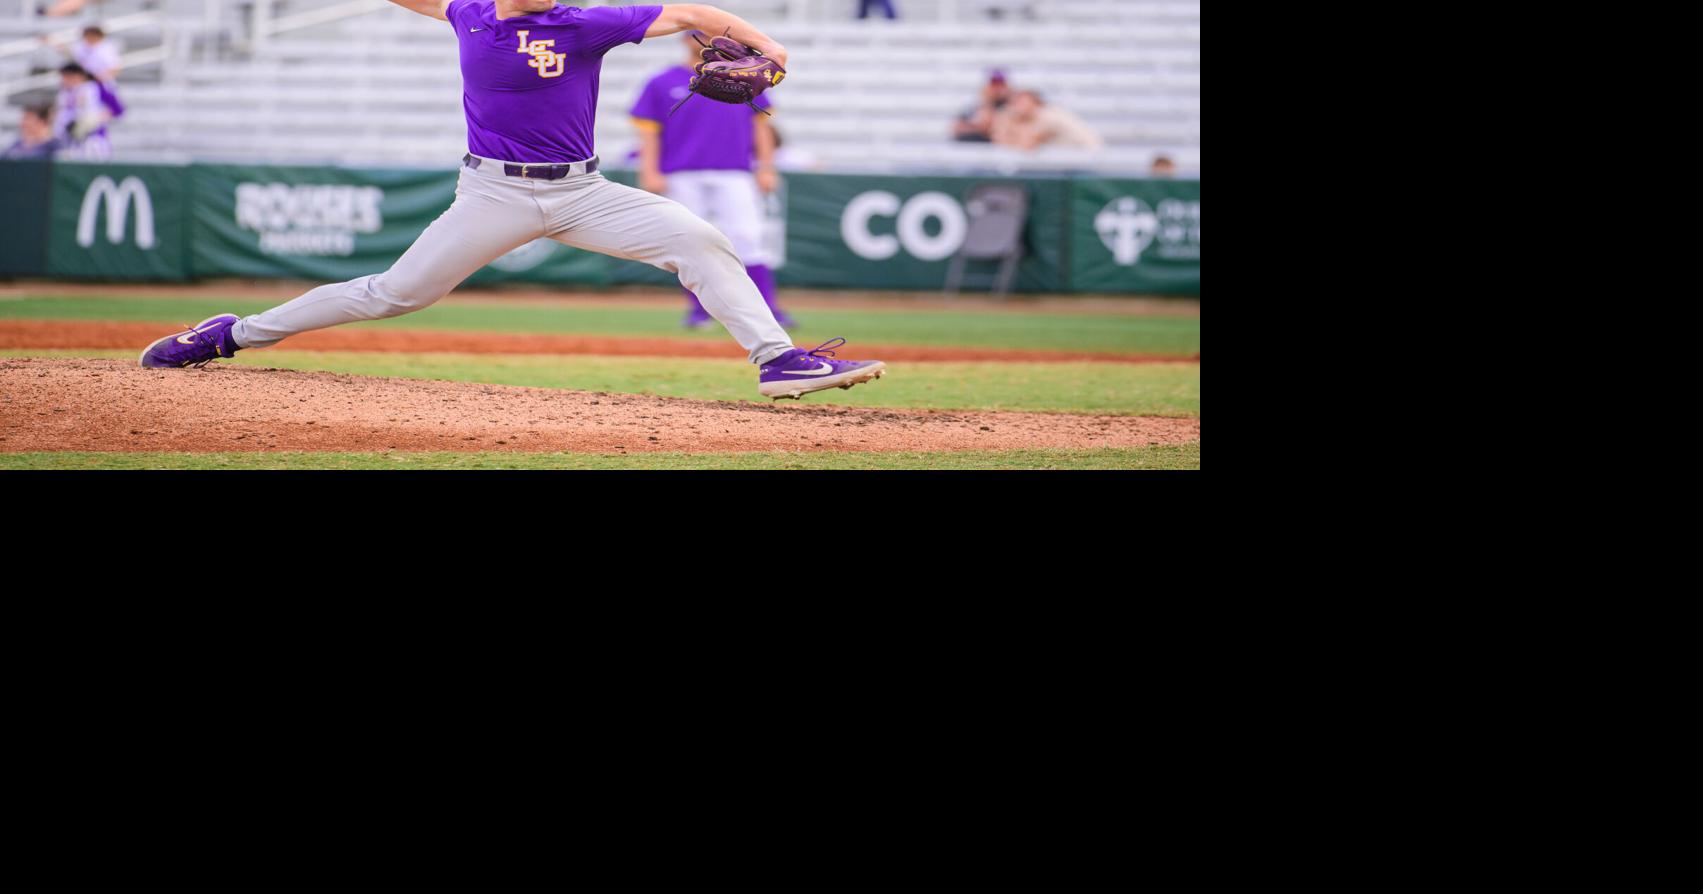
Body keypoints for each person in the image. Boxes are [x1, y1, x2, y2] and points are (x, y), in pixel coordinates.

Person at [136, 1, 886, 402]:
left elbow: (694, 13)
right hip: (491, 192)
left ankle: (777, 359)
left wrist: (769, 45)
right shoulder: (470, 13)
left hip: (585, 190)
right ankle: (232, 335)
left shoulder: (585, 23)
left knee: (700, 239)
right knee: (394, 293)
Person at [631, 33, 794, 329]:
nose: (707, 39)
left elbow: (762, 126)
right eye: (701, 33)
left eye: (713, 33)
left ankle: (768, 309)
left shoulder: (745, 76)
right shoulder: (662, 81)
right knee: (686, 242)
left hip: (735, 170)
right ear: (685, 38)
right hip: (679, 172)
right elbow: (649, 132)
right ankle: (700, 311)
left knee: (748, 237)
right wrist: (650, 171)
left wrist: (767, 167)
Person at [991, 89, 1103, 151]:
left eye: (1021, 102)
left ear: (1035, 103)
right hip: (1073, 160)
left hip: (1085, 161)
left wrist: (1009, 124)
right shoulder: (1040, 116)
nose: (1016, 107)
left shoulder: (1048, 116)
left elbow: (1027, 145)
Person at [53, 63, 114, 159]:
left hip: (93, 138)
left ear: (79, 76)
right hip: (70, 139)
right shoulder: (63, 93)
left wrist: (98, 118)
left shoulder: (94, 88)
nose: (64, 80)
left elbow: (117, 109)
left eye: (67, 77)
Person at [952, 69, 1011, 143]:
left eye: (1000, 84)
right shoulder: (976, 106)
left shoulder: (1011, 106)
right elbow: (957, 127)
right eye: (994, 84)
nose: (997, 88)